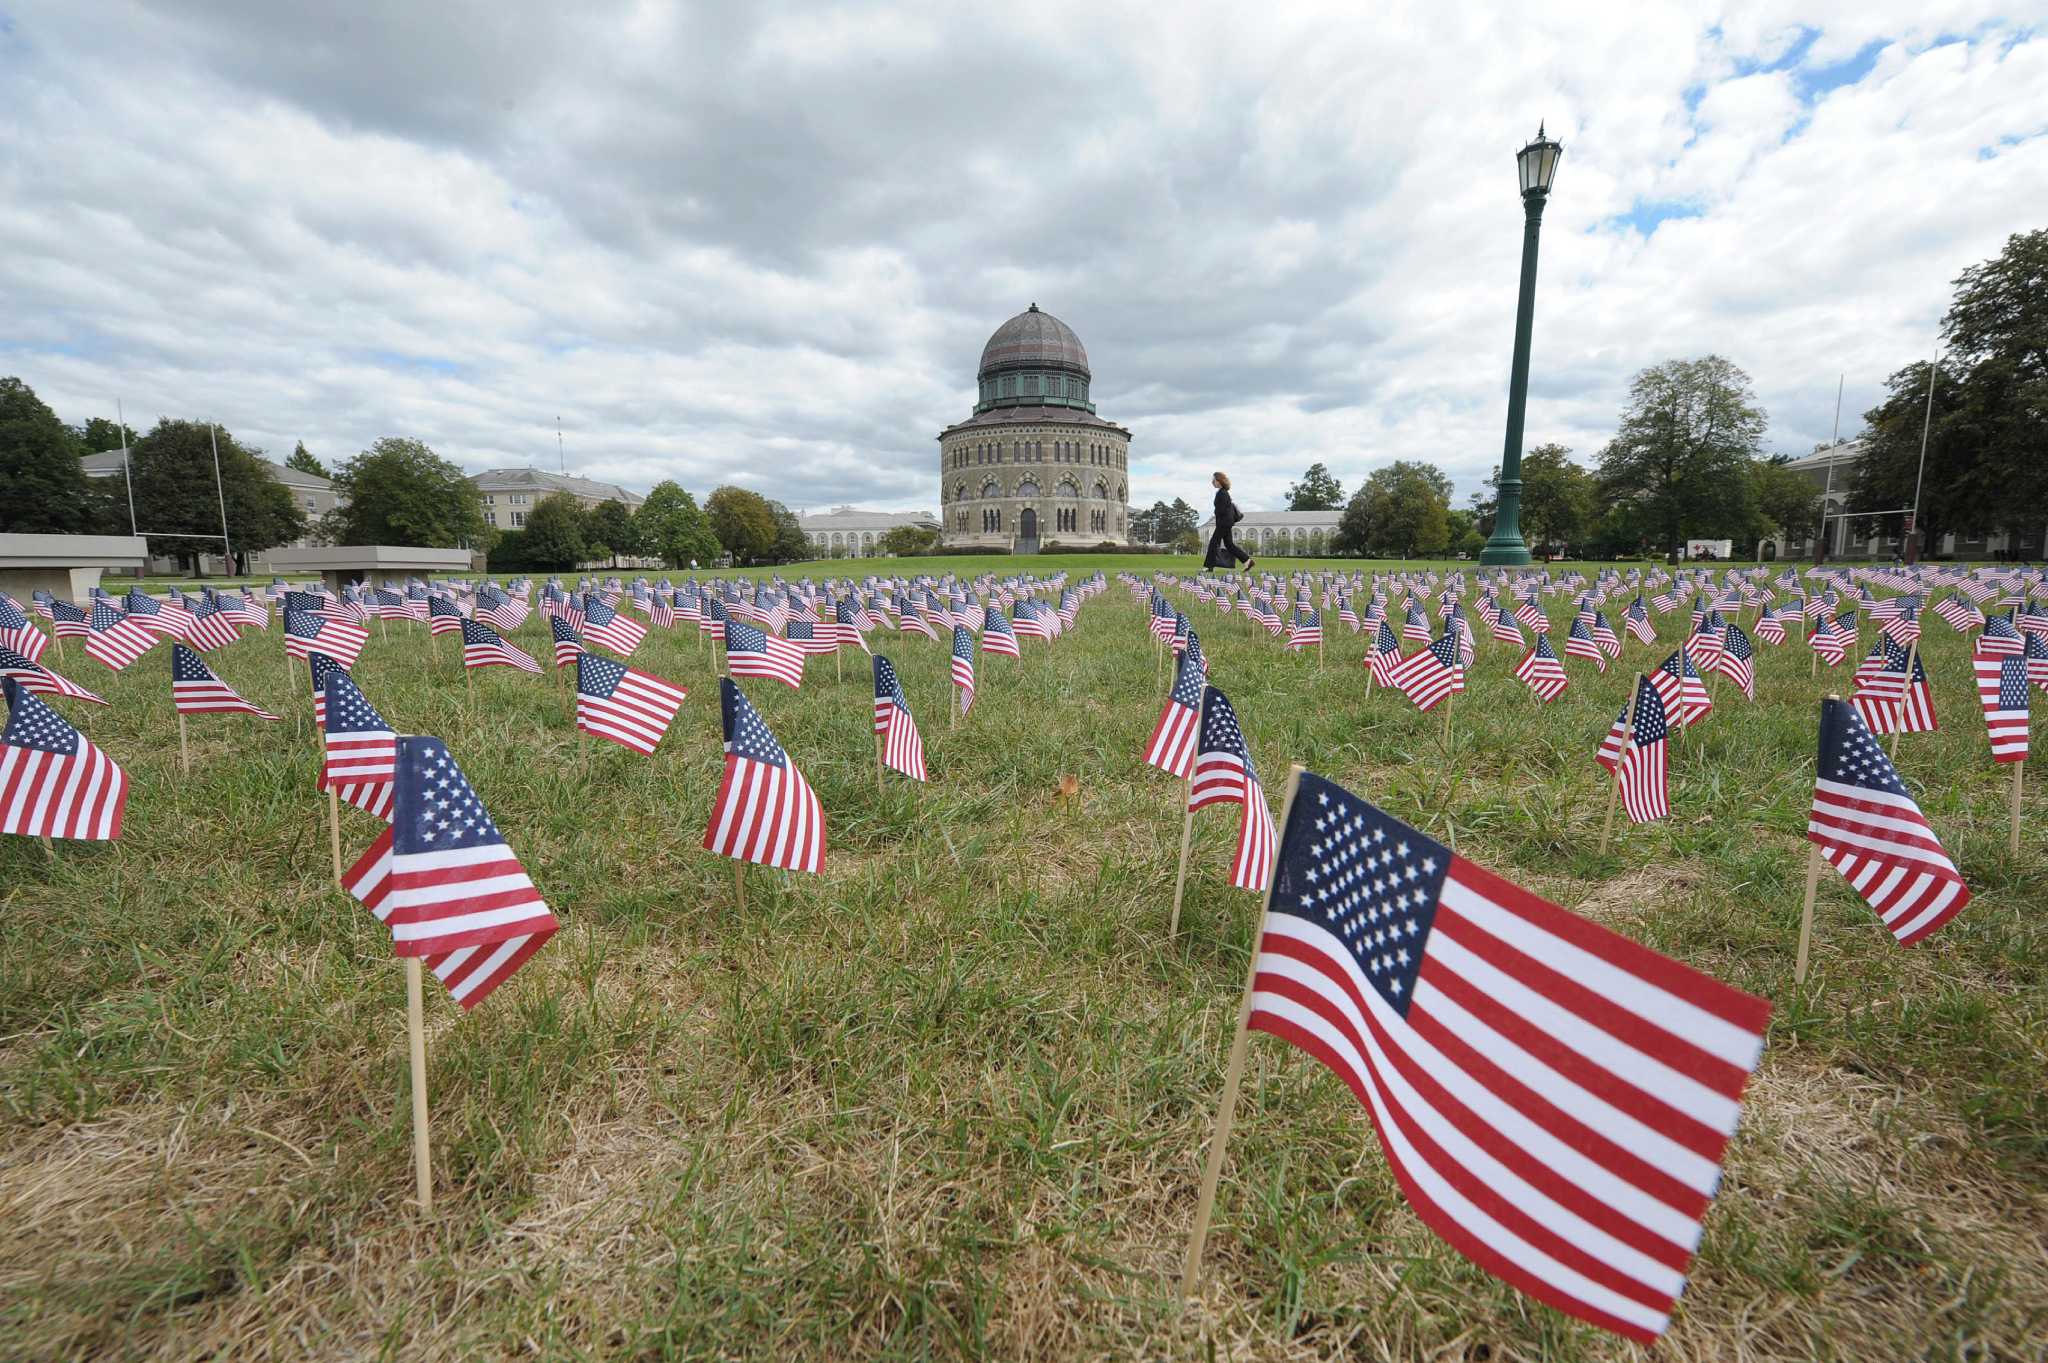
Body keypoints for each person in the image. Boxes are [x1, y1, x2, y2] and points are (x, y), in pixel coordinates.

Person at [1203, 471, 1254, 572]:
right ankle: (1247, 561)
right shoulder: (1222, 492)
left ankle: (1209, 566)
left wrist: (1215, 511)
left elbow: (1221, 510)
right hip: (1226, 523)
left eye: (1214, 480)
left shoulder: (1222, 493)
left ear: (1219, 481)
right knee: (1229, 545)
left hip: (1223, 523)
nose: (1212, 482)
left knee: (1213, 543)